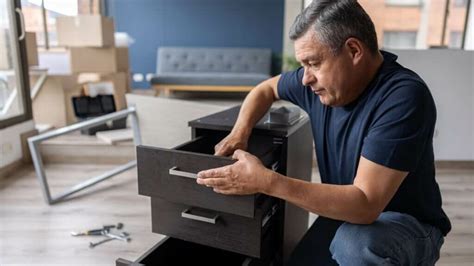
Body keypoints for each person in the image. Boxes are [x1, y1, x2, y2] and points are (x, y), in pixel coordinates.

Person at [196, 0, 451, 264]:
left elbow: (365, 204)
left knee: (354, 246)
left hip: (407, 225)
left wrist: (266, 181)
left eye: (313, 63)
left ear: (353, 50)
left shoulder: (403, 97)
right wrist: (240, 132)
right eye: (303, 65)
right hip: (345, 214)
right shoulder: (319, 84)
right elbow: (265, 90)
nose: (305, 78)